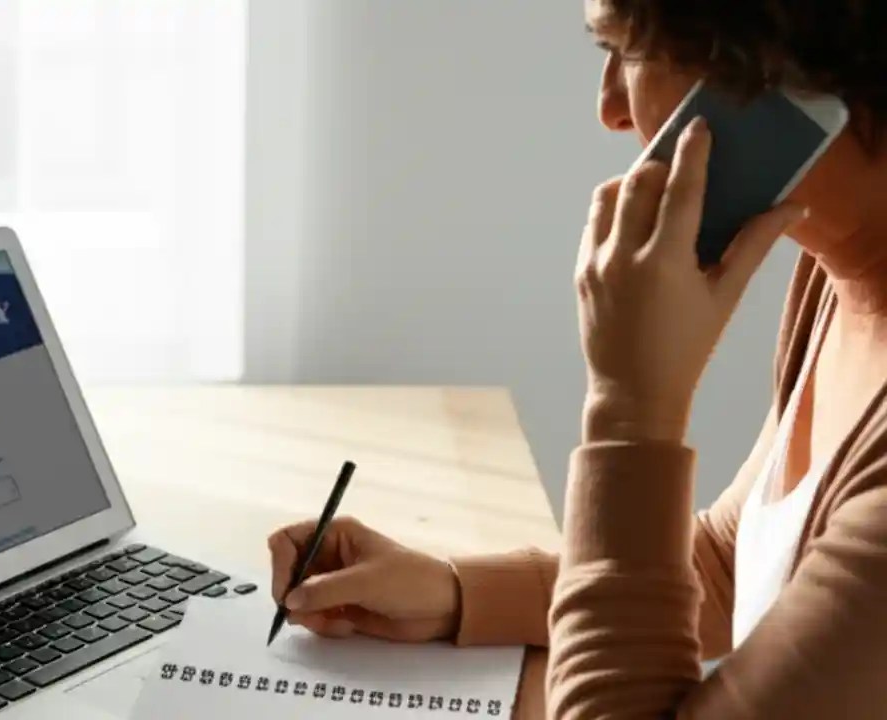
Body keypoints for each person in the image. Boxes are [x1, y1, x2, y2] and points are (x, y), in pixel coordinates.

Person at [267, 1, 887, 717]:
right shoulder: (842, 272)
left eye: (624, 51)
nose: (611, 110)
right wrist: (456, 592)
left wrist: (632, 407)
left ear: (773, 66)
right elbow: (729, 562)